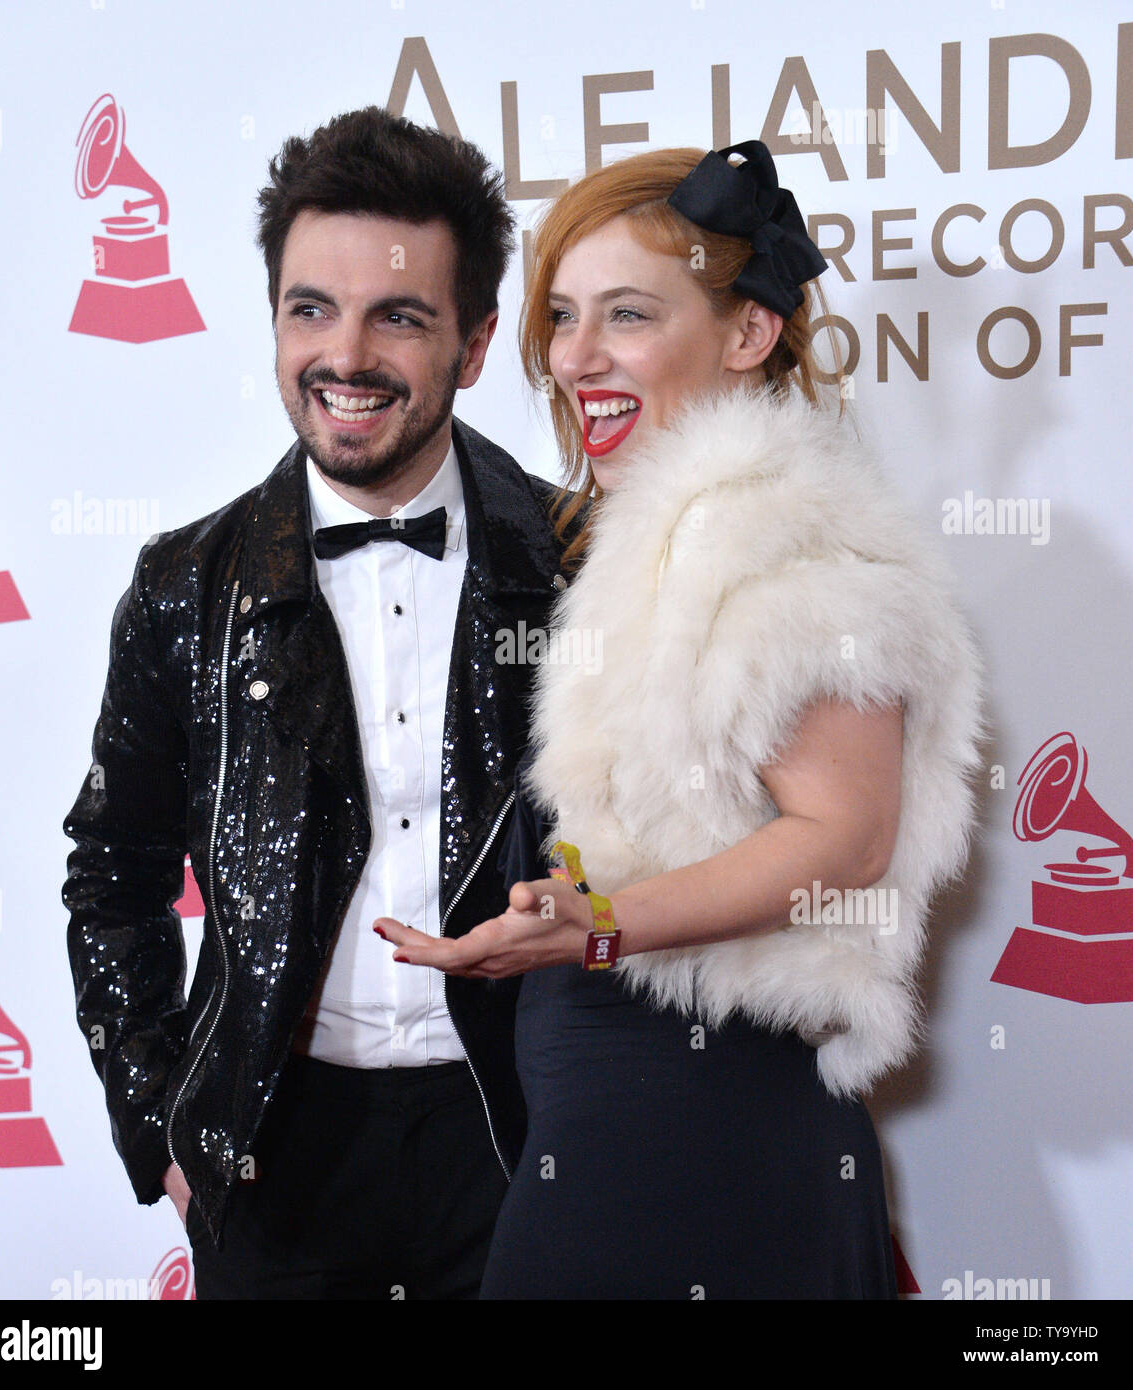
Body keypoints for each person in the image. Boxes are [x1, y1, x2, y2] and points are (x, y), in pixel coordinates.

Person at [374, 141, 985, 1298]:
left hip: (700, 1134)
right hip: (614, 1124)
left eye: (628, 316)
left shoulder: (784, 531)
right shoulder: (648, 539)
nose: (575, 356)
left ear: (749, 333)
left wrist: (600, 921)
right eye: (561, 316)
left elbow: (843, 838)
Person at [62, 106, 578, 1299]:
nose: (345, 355)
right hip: (270, 1150)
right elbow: (112, 872)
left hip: (519, 1139)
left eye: (399, 315)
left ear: (478, 339)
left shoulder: (580, 563)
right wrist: (163, 1132)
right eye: (312, 308)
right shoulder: (185, 584)